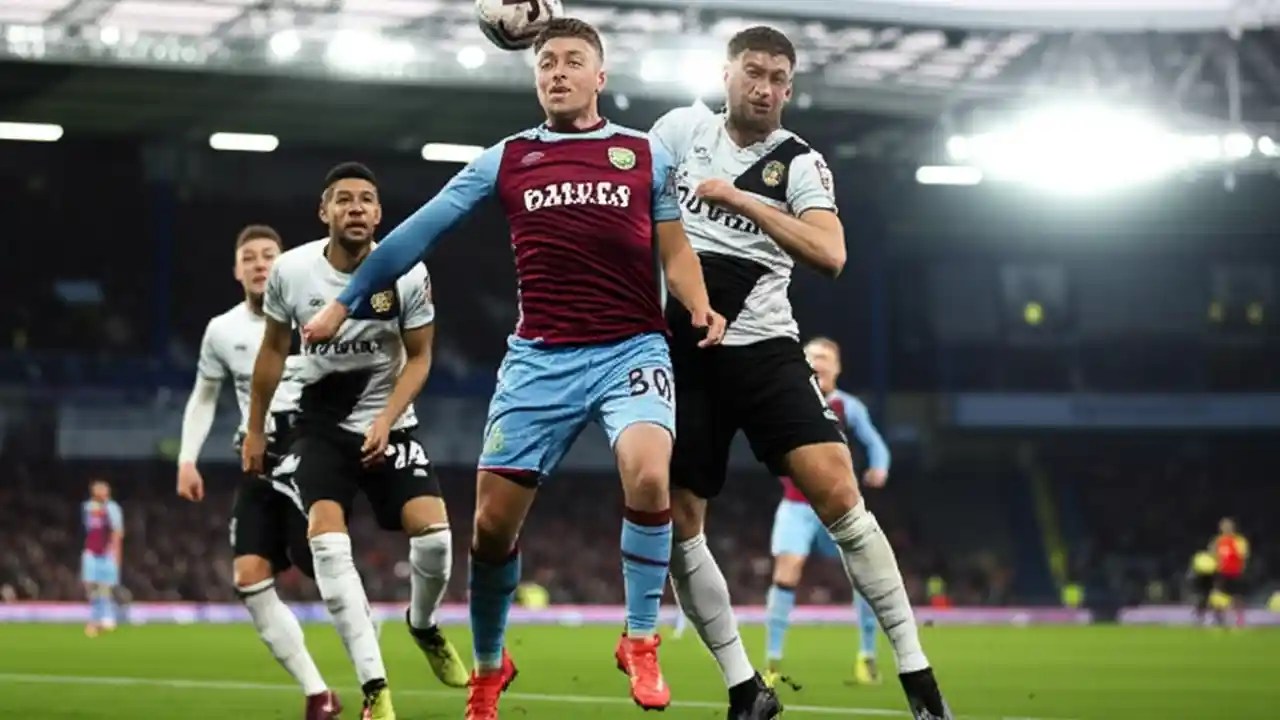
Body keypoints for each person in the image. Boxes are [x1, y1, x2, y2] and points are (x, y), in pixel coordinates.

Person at [301, 18, 725, 720]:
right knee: (490, 530)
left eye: (572, 60)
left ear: (600, 75)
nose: (557, 71)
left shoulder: (642, 153)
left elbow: (675, 251)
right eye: (546, 62)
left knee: (651, 471)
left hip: (631, 348)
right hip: (540, 360)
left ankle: (641, 638)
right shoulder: (507, 158)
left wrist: (701, 306)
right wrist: (346, 300)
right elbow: (419, 231)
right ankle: (491, 669)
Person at [649, 25, 953, 720]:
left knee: (840, 490)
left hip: (763, 350)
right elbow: (632, 207)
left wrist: (739, 198)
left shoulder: (800, 163)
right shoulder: (677, 130)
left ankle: (920, 682)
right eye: (753, 72)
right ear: (726, 74)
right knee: (677, 520)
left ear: (790, 87)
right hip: (683, 350)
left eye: (778, 78)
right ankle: (743, 687)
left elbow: (832, 253)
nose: (764, 87)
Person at [244, 162, 468, 720]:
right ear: (325, 212)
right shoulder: (292, 271)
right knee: (327, 543)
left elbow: (420, 358)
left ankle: (423, 625)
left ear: (379, 213)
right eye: (343, 200)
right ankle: (375, 689)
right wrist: (254, 427)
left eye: (366, 199)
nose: (356, 208)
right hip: (318, 426)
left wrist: (387, 419)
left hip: (389, 421)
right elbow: (272, 351)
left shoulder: (408, 273)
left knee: (437, 539)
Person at [176, 224, 341, 719]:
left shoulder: (316, 313)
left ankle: (373, 673)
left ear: (282, 262)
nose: (258, 263)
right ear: (236, 270)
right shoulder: (221, 331)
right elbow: (204, 395)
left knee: (325, 569)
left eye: (268, 254)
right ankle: (319, 695)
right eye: (248, 256)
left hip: (309, 452)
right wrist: (187, 457)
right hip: (257, 457)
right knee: (250, 577)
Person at [765, 337, 890, 688]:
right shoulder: (788, 402)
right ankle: (772, 663)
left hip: (839, 508)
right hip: (796, 506)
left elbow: (874, 441)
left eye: (825, 358)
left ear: (837, 368)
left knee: (864, 578)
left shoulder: (848, 407)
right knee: (785, 574)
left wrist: (880, 465)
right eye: (812, 357)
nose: (818, 362)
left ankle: (866, 657)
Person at [81, 479, 123, 637]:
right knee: (91, 587)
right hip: (91, 552)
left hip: (107, 553)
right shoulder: (87, 508)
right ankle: (96, 616)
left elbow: (117, 532)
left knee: (105, 588)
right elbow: (87, 529)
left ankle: (104, 618)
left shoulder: (112, 508)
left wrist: (116, 555)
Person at [1210, 517, 1249, 628]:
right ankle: (1218, 618)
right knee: (1217, 596)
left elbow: (1244, 555)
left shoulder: (1239, 540)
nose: (1226, 528)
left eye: (1228, 526)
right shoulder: (1218, 540)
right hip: (1222, 572)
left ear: (1233, 527)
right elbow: (1213, 554)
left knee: (1237, 596)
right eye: (1223, 526)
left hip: (1235, 572)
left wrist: (1241, 568)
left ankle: (1240, 618)